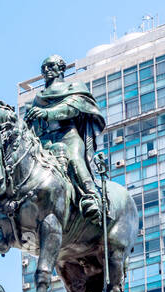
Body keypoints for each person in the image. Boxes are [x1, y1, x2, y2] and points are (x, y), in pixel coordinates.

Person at [25, 54, 107, 220]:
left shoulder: (74, 87)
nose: (46, 70)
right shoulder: (38, 97)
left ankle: (91, 197)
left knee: (75, 160)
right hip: (44, 141)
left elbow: (72, 108)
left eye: (50, 66)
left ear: (61, 68)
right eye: (44, 68)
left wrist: (47, 113)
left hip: (68, 136)